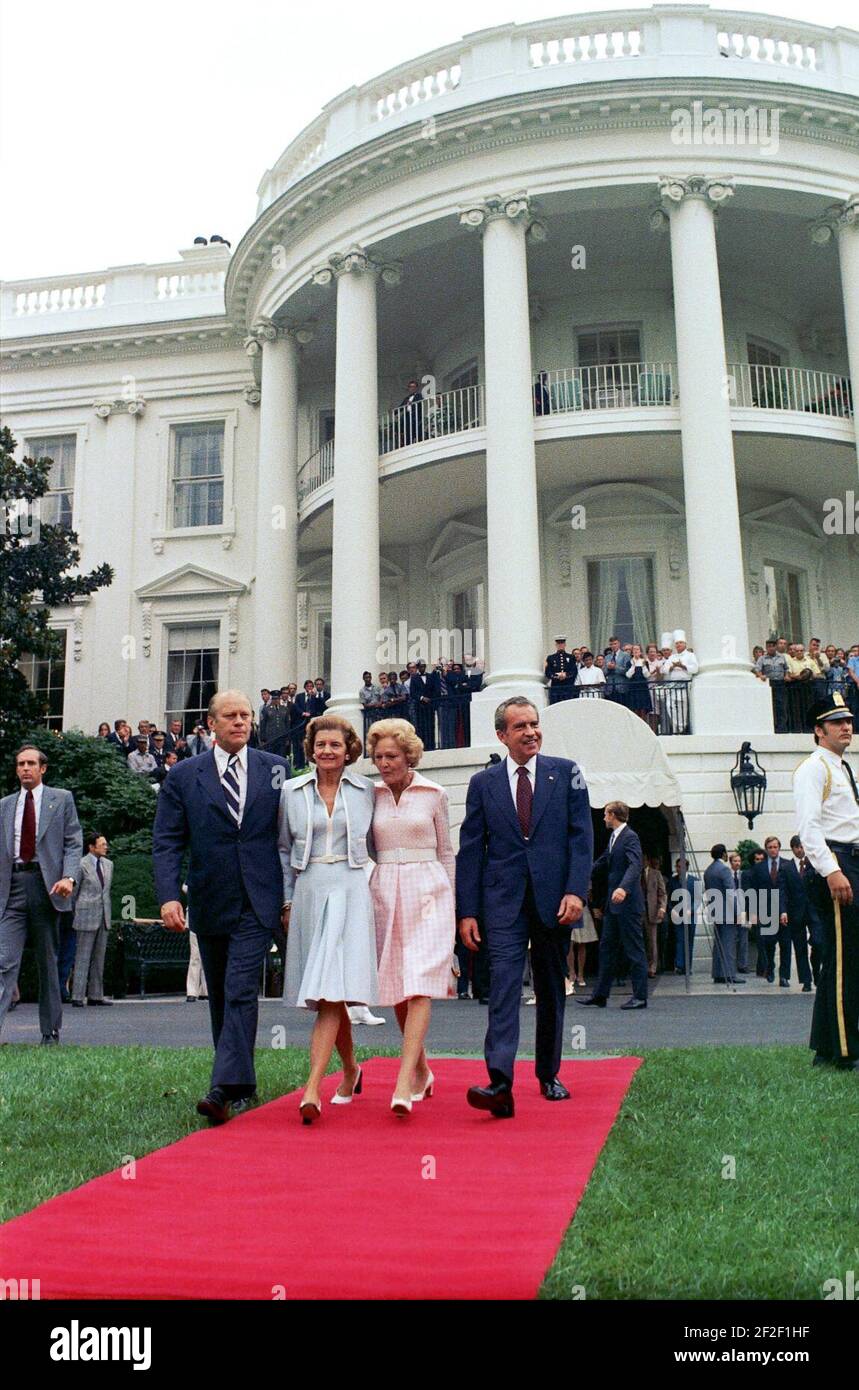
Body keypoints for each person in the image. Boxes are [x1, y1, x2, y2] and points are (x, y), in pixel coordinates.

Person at [153, 690, 289, 1124]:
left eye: (245, 715)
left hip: (258, 898)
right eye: (230, 716)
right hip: (210, 899)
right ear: (211, 723)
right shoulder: (184, 775)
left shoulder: (276, 770)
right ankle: (241, 1083)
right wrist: (169, 895)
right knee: (220, 997)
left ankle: (221, 1087)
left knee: (240, 987)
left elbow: (290, 835)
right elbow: (168, 840)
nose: (240, 722)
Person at [457, 698, 593, 1117]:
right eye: (521, 727)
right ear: (502, 735)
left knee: (551, 987)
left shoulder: (566, 772)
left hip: (555, 902)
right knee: (502, 988)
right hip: (502, 904)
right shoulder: (483, 784)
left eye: (535, 724)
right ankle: (499, 1082)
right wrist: (467, 912)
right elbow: (470, 851)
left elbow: (581, 838)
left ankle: (548, 1074)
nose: (531, 732)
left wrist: (576, 892)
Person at [279, 714, 379, 1122]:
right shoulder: (291, 790)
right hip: (310, 887)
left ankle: (312, 1088)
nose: (327, 751)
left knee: (331, 990)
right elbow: (283, 851)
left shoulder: (367, 790)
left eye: (335, 745)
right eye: (321, 745)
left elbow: (379, 843)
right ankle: (352, 1069)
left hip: (352, 887)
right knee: (327, 990)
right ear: (311, 749)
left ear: (348, 749)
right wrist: (287, 902)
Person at [367, 718, 457, 1113]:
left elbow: (446, 852)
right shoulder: (369, 796)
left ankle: (403, 1083)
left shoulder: (434, 793)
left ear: (409, 756)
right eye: (378, 756)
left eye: (392, 756)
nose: (384, 763)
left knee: (419, 983)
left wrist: (453, 903)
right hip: (385, 889)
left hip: (430, 891)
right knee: (396, 988)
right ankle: (421, 1069)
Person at [794, 693, 859, 1070]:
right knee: (842, 961)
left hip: (849, 861)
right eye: (836, 722)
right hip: (837, 864)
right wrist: (832, 870)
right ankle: (844, 1049)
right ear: (819, 731)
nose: (846, 727)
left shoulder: (840, 767)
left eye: (848, 720)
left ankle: (827, 1047)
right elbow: (809, 827)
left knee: (845, 959)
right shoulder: (814, 768)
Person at [0, 745, 82, 1043]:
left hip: (48, 888)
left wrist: (69, 877)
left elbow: (74, 842)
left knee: (48, 963)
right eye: (20, 763)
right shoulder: (5, 805)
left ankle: (50, 1032)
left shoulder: (61, 800)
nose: (25, 768)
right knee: (4, 961)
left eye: (31, 763)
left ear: (42, 768)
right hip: (12, 889)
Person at [579, 801, 648, 1009]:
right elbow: (602, 862)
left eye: (605, 814)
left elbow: (636, 864)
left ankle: (640, 996)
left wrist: (624, 888)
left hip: (627, 904)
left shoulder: (630, 837)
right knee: (606, 949)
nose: (603, 818)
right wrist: (580, 874)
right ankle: (600, 994)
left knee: (634, 950)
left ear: (614, 815)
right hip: (613, 905)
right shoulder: (614, 837)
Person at [70, 832, 113, 1007]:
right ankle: (78, 996)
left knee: (99, 957)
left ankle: (96, 995)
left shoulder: (109, 865)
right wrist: (75, 911)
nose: (105, 846)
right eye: (102, 844)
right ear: (91, 847)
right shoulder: (81, 865)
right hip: (86, 914)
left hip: (103, 915)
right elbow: (74, 892)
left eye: (105, 843)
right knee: (83, 956)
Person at [747, 836, 790, 984]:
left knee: (785, 945)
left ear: (779, 848)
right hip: (765, 910)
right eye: (770, 847)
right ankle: (770, 969)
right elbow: (753, 890)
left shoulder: (787, 865)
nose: (773, 850)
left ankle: (784, 976)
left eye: (775, 847)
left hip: (784, 910)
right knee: (769, 944)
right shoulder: (759, 868)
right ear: (766, 849)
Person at [704, 844, 745, 985]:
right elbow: (730, 893)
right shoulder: (724, 870)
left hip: (715, 910)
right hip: (727, 912)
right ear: (723, 854)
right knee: (728, 944)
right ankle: (729, 974)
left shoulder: (708, 870)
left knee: (719, 943)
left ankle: (717, 973)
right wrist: (738, 912)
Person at [783, 835, 818, 992]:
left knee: (819, 942)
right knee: (799, 947)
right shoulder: (787, 867)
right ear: (792, 848)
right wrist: (783, 911)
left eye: (802, 846)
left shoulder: (814, 864)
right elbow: (782, 891)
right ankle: (806, 980)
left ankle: (817, 970)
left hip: (814, 911)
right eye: (797, 847)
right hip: (795, 912)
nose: (800, 850)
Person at [643, 853, 667, 978]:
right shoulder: (634, 873)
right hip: (637, 911)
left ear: (647, 860)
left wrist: (662, 908)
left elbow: (662, 893)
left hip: (651, 911)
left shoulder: (655, 874)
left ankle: (652, 967)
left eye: (643, 859)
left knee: (652, 941)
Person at [727, 851, 751, 974]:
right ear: (730, 862)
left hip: (743, 909)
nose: (737, 863)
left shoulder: (744, 875)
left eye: (739, 861)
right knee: (732, 938)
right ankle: (732, 965)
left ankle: (743, 964)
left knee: (744, 939)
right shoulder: (727, 875)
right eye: (735, 861)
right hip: (731, 911)